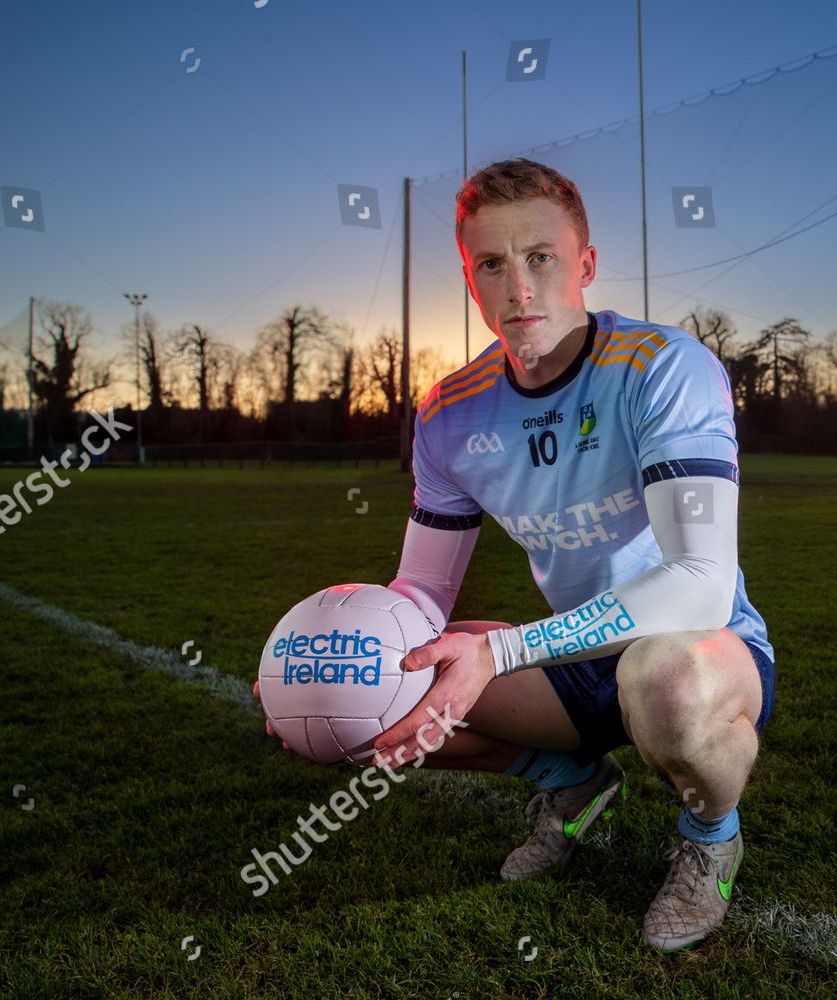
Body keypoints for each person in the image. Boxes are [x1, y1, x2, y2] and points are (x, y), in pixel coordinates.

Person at [256, 158, 774, 952]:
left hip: (703, 653)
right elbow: (422, 592)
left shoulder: (664, 369)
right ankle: (573, 783)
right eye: (491, 264)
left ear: (586, 266)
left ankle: (711, 835)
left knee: (661, 676)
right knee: (366, 681)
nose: (519, 287)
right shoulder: (450, 413)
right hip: (574, 654)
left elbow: (700, 585)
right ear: (471, 279)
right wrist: (320, 674)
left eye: (541, 258)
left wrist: (503, 650)